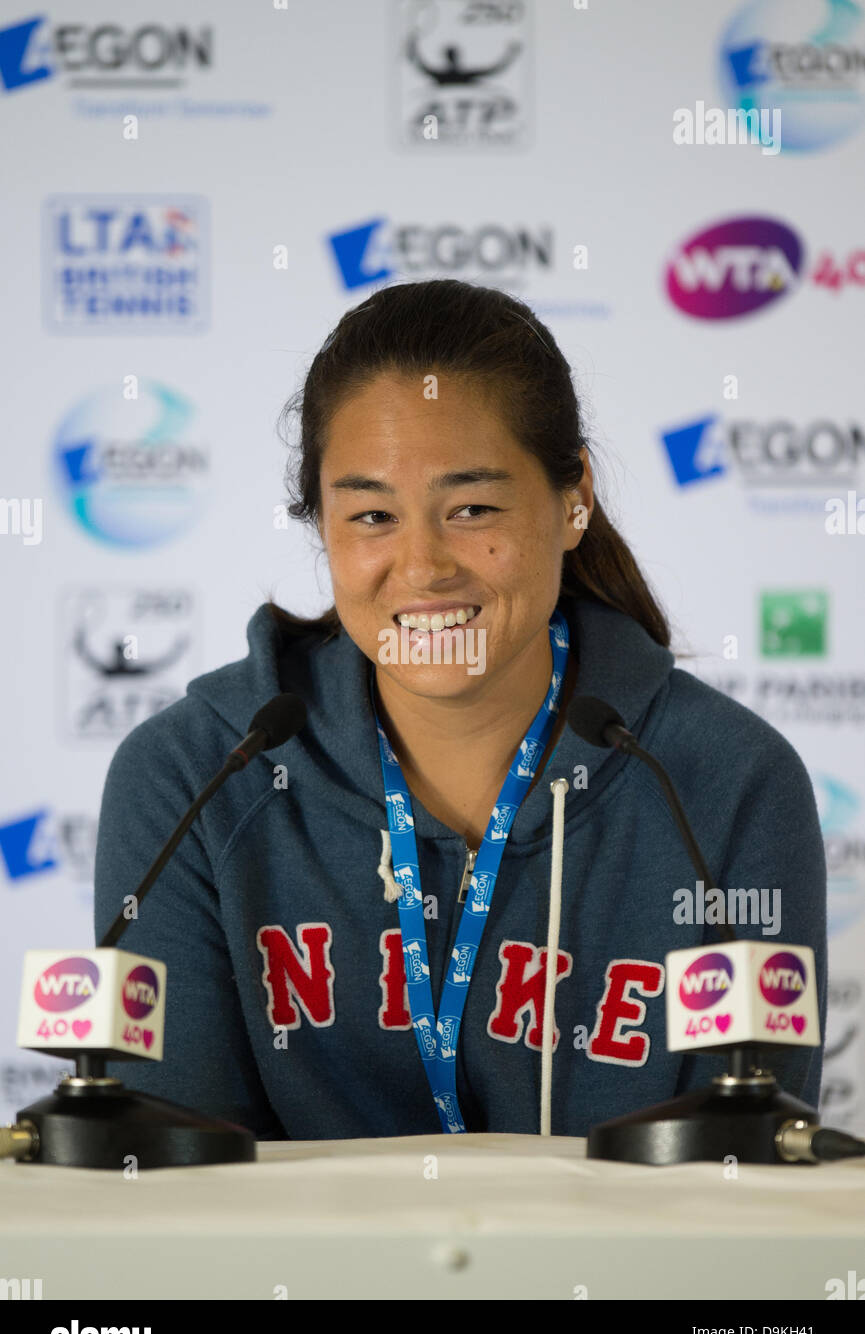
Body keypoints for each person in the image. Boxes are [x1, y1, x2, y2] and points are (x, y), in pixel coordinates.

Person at [93, 277, 827, 1141]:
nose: (422, 566)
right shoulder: (193, 774)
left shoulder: (723, 780)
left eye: (472, 507)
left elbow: (736, 1180)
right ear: (322, 526)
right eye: (372, 515)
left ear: (571, 498)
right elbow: (171, 1193)